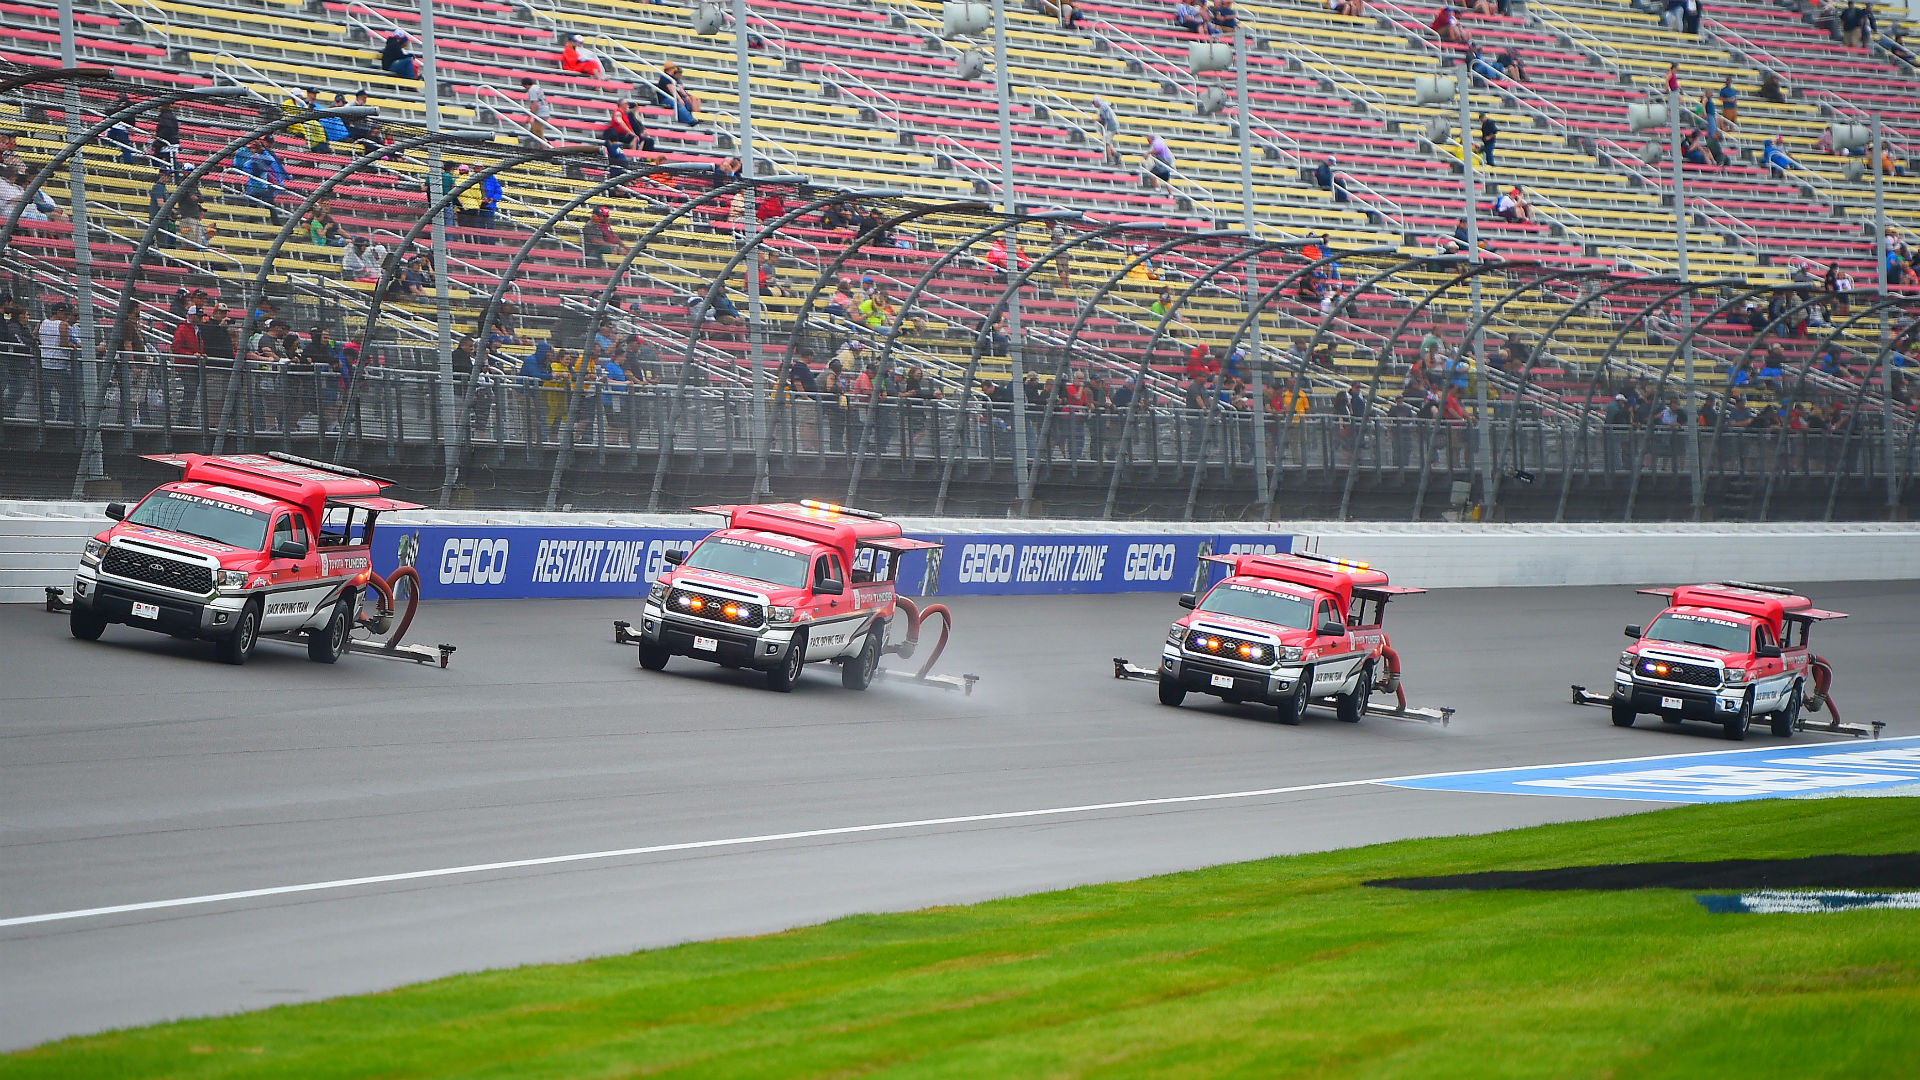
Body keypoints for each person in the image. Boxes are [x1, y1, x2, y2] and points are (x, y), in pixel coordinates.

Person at [38, 300, 78, 422]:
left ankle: (48, 415)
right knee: (67, 393)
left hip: (44, 363)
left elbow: (35, 336)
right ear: (59, 312)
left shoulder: (42, 323)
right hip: (59, 365)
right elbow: (63, 344)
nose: (67, 316)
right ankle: (62, 418)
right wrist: (73, 345)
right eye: (66, 313)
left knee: (45, 393)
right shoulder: (62, 325)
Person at [1094, 95, 1120, 166]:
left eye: (1094, 103)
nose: (1093, 105)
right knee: (1107, 142)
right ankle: (1116, 154)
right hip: (1111, 126)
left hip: (1111, 127)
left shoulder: (1102, 107)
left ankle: (1110, 159)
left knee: (1107, 143)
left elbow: (1104, 118)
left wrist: (1095, 119)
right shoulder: (1103, 106)